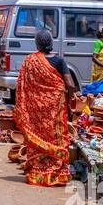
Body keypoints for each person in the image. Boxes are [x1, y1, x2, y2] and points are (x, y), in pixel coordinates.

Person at [15, 29, 74, 187]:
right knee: (56, 137)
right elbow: (70, 84)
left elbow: (23, 87)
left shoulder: (30, 61)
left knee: (37, 136)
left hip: (36, 113)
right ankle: (57, 173)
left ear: (37, 44)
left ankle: (37, 171)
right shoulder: (59, 61)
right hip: (55, 109)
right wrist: (69, 100)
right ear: (51, 43)